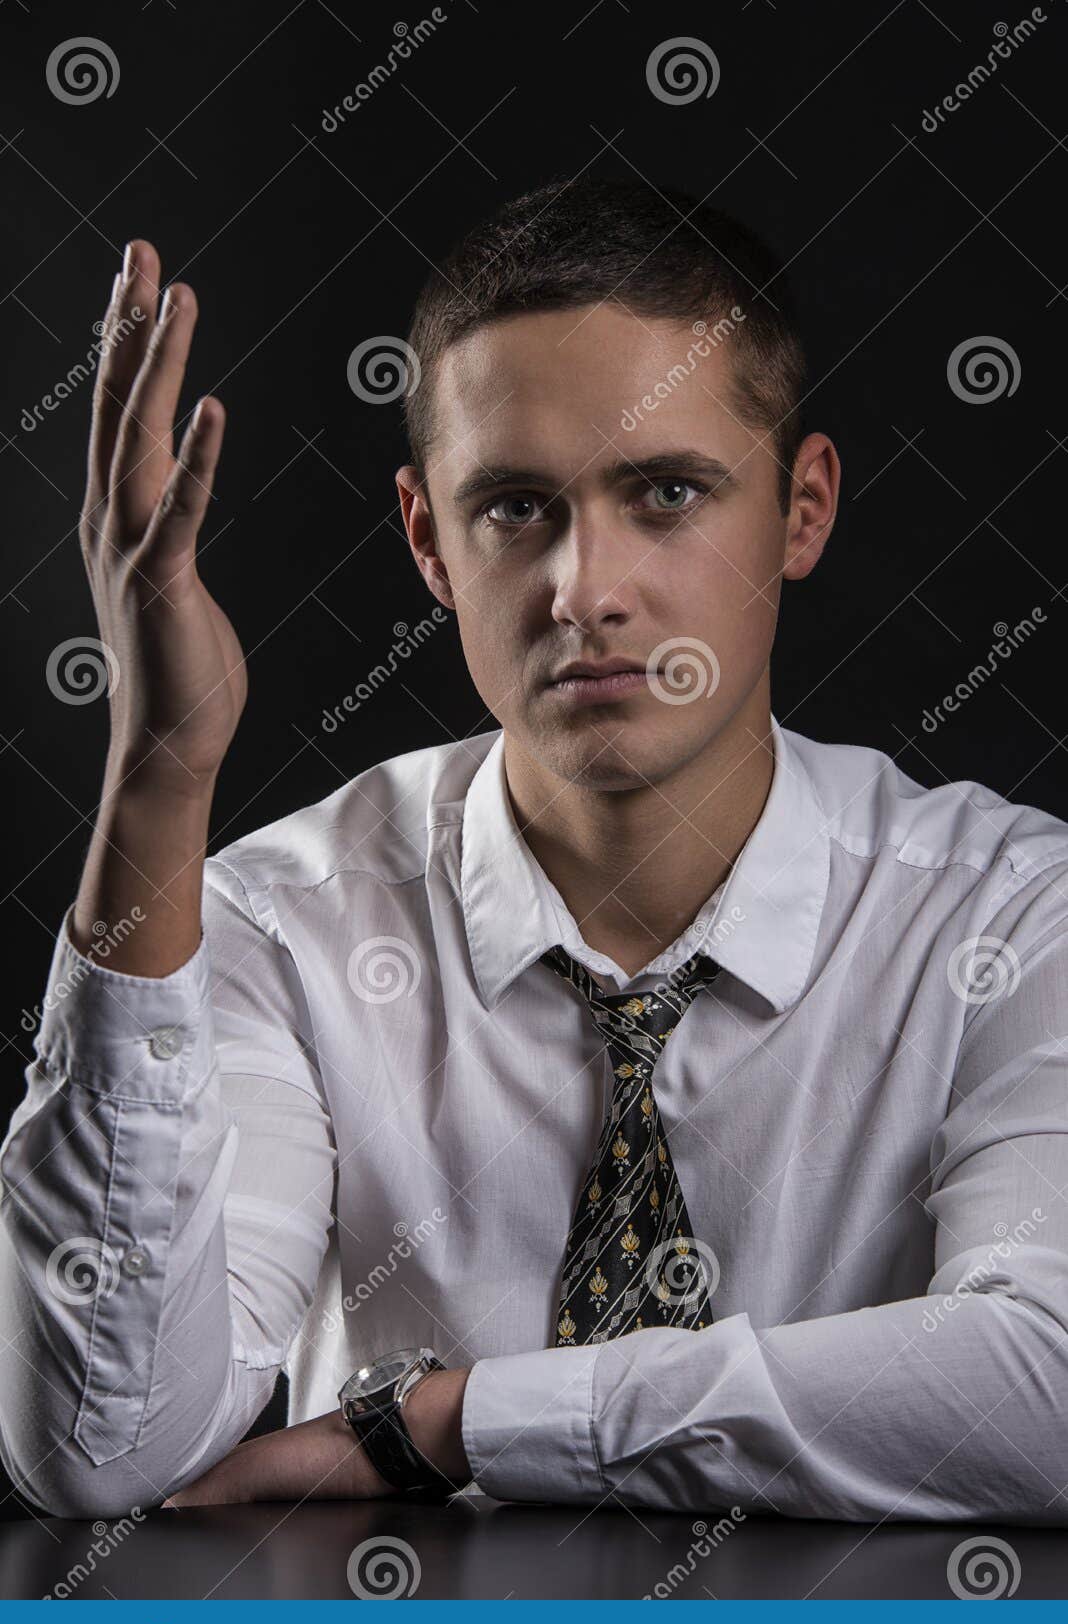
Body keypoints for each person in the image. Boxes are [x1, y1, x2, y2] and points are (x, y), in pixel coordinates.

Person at [2, 176, 1067, 1523]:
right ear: (429, 542)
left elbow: (1048, 1384)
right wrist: (159, 778)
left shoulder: (1011, 914)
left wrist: (459, 1420)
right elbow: (103, 1449)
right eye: (514, 507)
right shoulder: (280, 927)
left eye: (668, 492)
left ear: (802, 509)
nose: (585, 591)